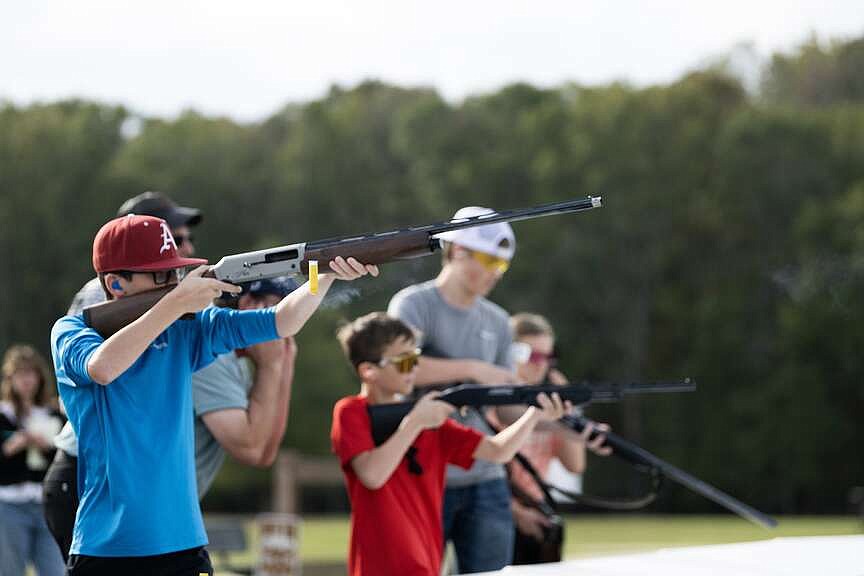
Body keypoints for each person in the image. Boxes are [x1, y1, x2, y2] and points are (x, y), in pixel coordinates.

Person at [50, 214, 377, 575]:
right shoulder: (73, 331)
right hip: (107, 548)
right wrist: (175, 303)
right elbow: (103, 367)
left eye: (176, 272)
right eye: (161, 275)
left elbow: (284, 321)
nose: (174, 282)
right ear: (116, 284)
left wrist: (323, 274)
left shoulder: (189, 328)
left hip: (184, 544)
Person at [330, 312, 570, 576]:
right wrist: (414, 424)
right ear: (368, 370)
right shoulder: (351, 411)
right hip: (378, 565)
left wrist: (534, 413)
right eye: (404, 361)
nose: (414, 367)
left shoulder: (426, 416)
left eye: (415, 357)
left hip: (427, 562)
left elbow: (498, 451)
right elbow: (372, 475)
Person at [43, 190, 204, 561]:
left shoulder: (161, 294)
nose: (177, 270)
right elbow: (103, 365)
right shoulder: (95, 298)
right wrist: (178, 303)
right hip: (84, 467)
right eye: (174, 243)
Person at [387, 206, 520, 573]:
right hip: (424, 471)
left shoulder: (499, 321)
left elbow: (507, 407)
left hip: (486, 475)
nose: (495, 272)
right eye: (488, 259)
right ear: (457, 251)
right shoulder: (413, 305)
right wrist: (473, 370)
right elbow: (400, 370)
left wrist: (546, 413)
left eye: (502, 264)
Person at [506, 313, 611, 564]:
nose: (540, 364)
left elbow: (574, 465)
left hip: (537, 510)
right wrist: (515, 512)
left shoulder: (550, 406)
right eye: (531, 355)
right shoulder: (496, 402)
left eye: (547, 357)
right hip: (499, 511)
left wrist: (570, 413)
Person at [192, 276, 299, 497]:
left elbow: (265, 455)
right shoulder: (213, 357)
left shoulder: (239, 362)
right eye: (285, 307)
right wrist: (271, 366)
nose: (295, 318)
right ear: (249, 305)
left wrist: (284, 365)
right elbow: (250, 449)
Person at [0, 344, 66, 576]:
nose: (26, 380)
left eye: (30, 373)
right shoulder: (3, 415)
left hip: (46, 504)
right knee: (10, 570)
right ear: (10, 378)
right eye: (20, 373)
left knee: (55, 570)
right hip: (9, 504)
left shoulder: (53, 414)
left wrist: (46, 447)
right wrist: (14, 444)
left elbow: (63, 459)